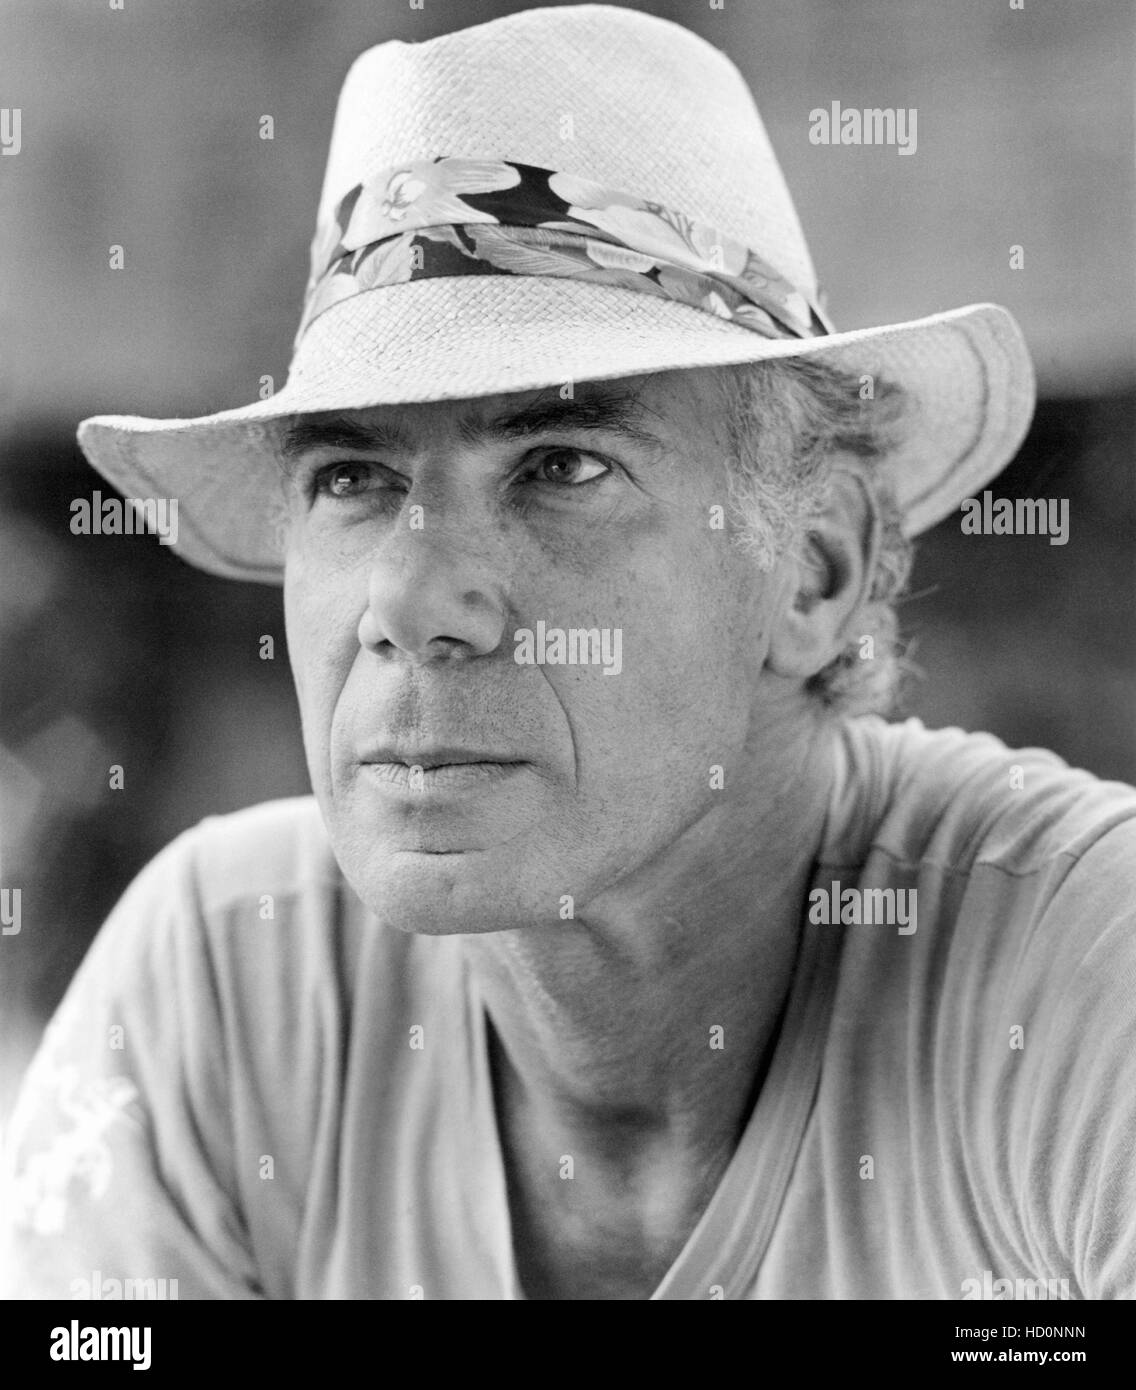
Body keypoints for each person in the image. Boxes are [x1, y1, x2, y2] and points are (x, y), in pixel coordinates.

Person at [2, 4, 1133, 1301]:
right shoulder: (230, 972)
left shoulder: (1082, 977)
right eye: (355, 475)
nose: (413, 599)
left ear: (815, 567)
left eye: (561, 464)